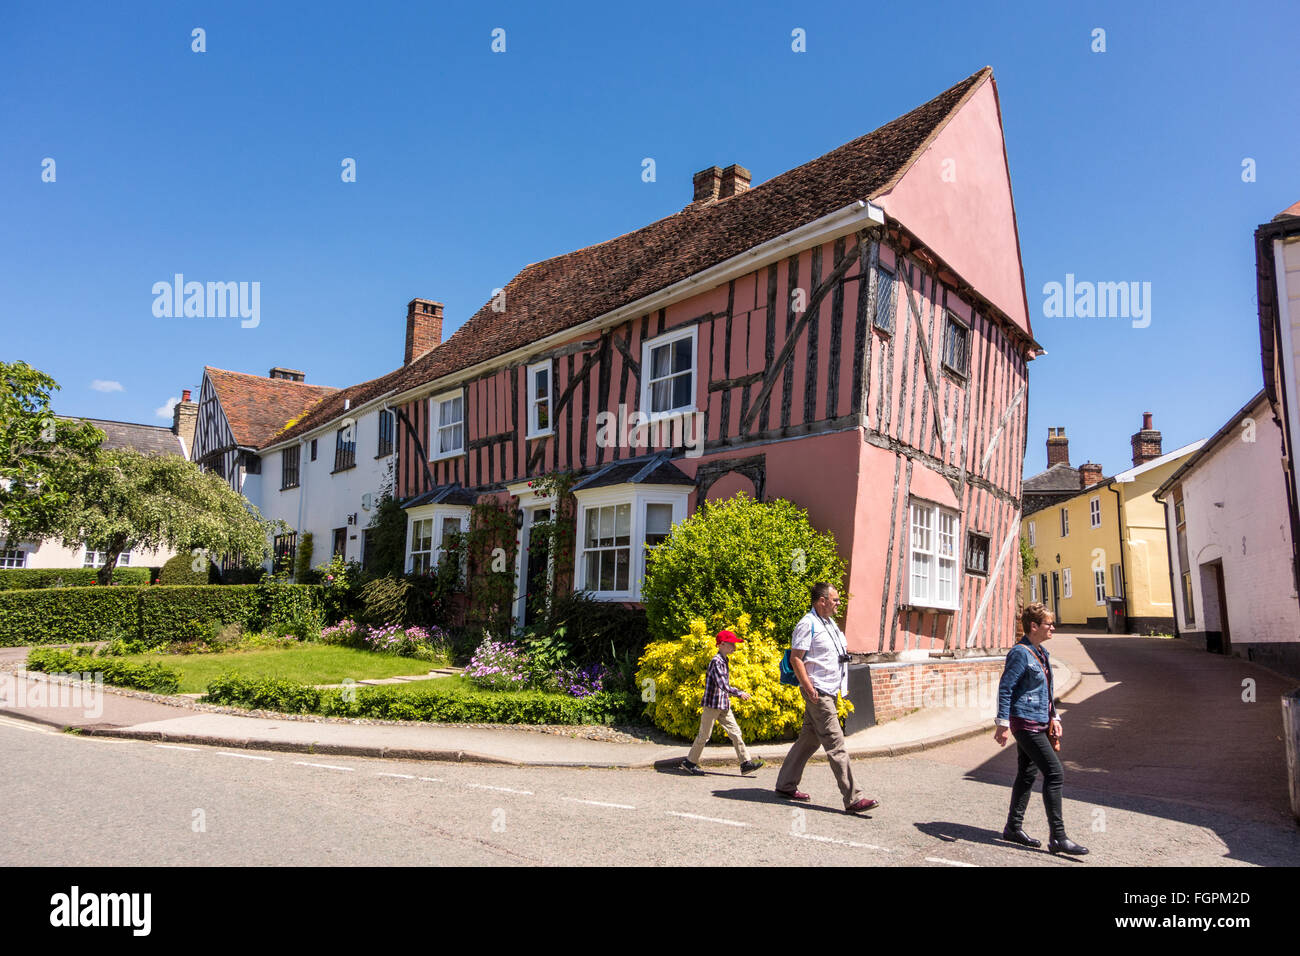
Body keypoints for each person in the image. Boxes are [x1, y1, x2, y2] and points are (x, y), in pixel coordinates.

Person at [775, 583, 879, 814]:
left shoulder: (830, 624)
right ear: (822, 600)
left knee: (809, 740)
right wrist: (808, 687)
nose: (838, 603)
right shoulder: (807, 624)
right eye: (835, 599)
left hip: (830, 690)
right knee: (836, 744)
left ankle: (785, 785)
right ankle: (853, 798)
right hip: (818, 692)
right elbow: (796, 659)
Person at [994, 603, 1088, 856]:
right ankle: (1058, 837)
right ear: (1034, 626)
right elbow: (1006, 688)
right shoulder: (1020, 653)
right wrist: (1002, 724)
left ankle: (1013, 827)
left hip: (1040, 721)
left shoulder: (1042, 653)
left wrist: (1054, 716)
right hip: (1024, 722)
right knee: (1055, 773)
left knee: (1027, 774)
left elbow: (1046, 689)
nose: (1053, 628)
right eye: (1049, 624)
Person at [680, 630, 766, 776]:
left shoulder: (724, 660)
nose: (734, 647)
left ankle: (745, 763)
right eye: (731, 644)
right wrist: (739, 693)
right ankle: (689, 762)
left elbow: (723, 686)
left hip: (723, 704)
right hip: (712, 705)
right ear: (722, 644)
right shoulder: (716, 662)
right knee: (704, 735)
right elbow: (723, 685)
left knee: (735, 733)